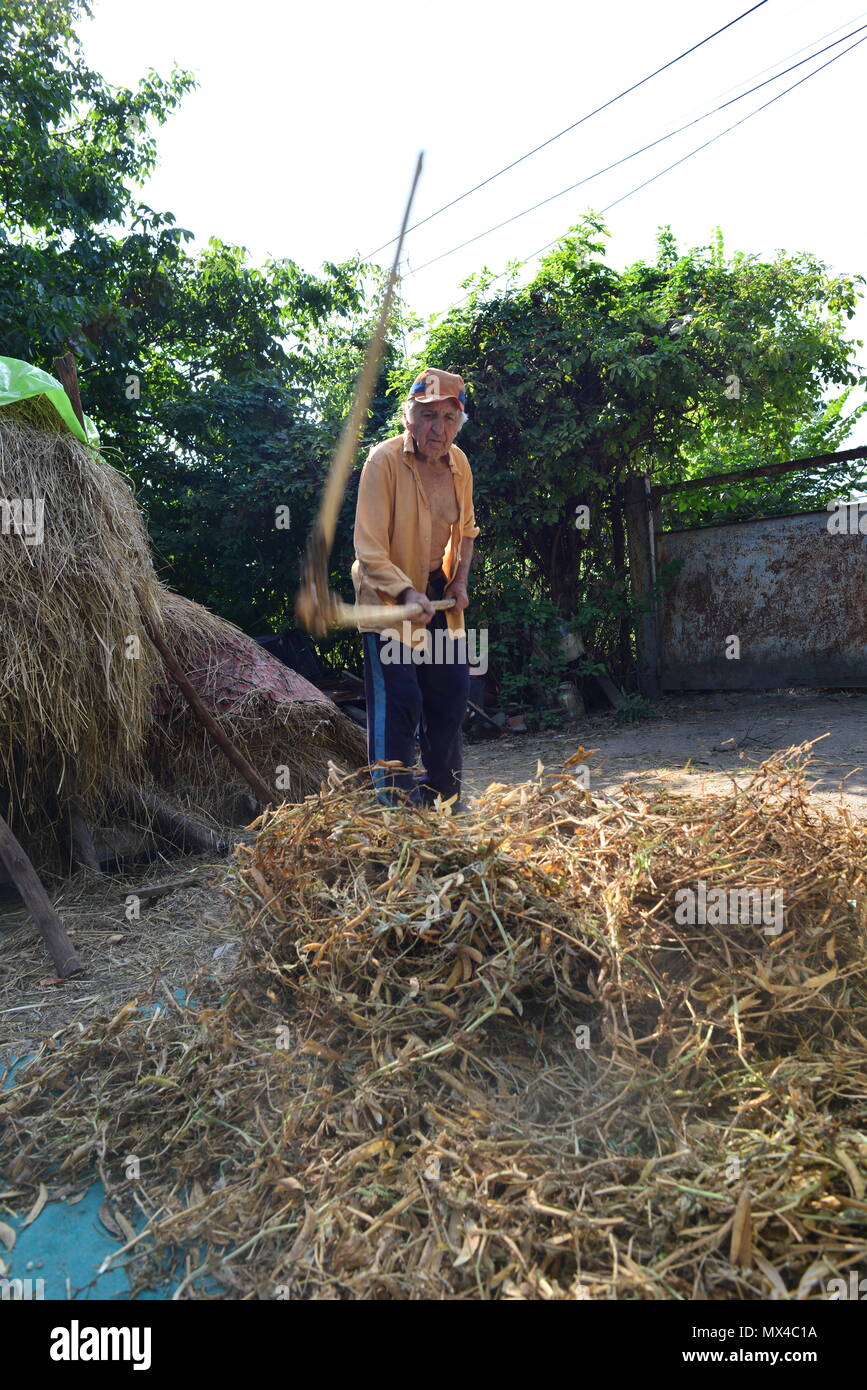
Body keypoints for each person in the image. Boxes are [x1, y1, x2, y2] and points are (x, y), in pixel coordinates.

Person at [352, 367, 479, 809]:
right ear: (409, 419)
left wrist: (459, 581)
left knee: (451, 695)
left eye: (447, 418)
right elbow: (368, 548)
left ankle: (444, 800)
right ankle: (395, 809)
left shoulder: (459, 465)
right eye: (427, 416)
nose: (437, 428)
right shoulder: (383, 460)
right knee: (402, 700)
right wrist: (407, 595)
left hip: (439, 596)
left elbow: (466, 532)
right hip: (388, 603)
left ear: (457, 424)